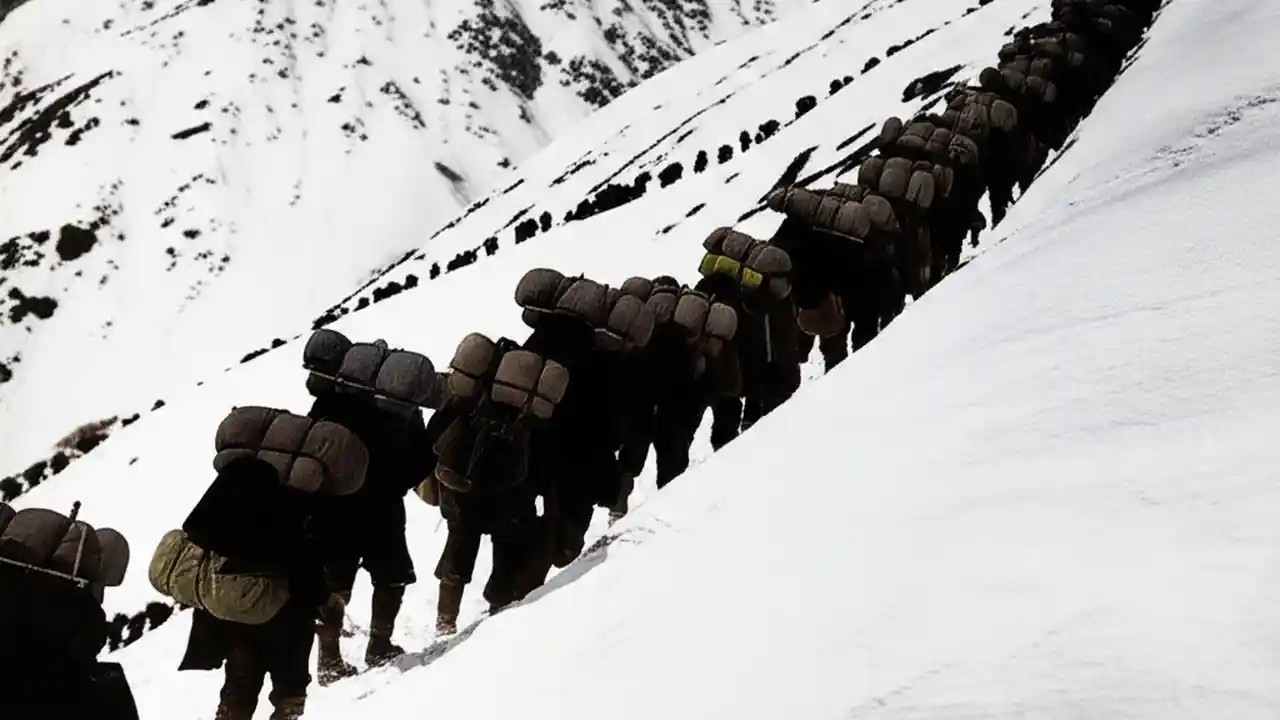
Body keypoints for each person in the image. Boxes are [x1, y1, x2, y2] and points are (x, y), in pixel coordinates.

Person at [177, 456, 336, 720]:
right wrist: (324, 603)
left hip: (229, 619)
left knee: (239, 686)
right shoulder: (282, 520)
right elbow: (305, 576)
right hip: (283, 626)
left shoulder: (212, 522)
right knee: (289, 695)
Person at [307, 381, 431, 682]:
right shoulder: (395, 411)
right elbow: (418, 464)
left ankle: (329, 660)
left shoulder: (328, 406)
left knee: (335, 584)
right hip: (382, 508)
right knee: (391, 576)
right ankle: (379, 644)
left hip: (336, 507)